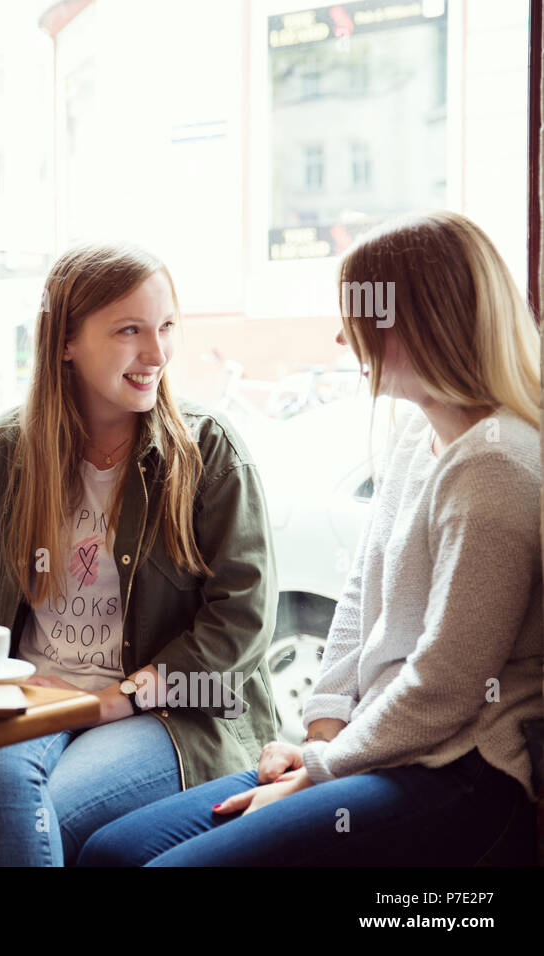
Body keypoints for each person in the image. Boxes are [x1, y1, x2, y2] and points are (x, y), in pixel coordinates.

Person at [78, 210, 543, 867]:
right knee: (110, 851)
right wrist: (322, 727)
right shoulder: (419, 435)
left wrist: (323, 766)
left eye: (357, 318)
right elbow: (359, 599)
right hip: (381, 747)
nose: (341, 335)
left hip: (459, 769)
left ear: (419, 324)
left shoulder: (495, 468)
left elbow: (448, 687)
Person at [0, 241, 280, 866]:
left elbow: (243, 623)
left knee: (54, 812)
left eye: (164, 328)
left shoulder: (207, 452)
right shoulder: (6, 450)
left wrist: (124, 696)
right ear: (66, 343)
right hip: (36, 696)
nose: (156, 354)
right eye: (130, 330)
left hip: (175, 712)